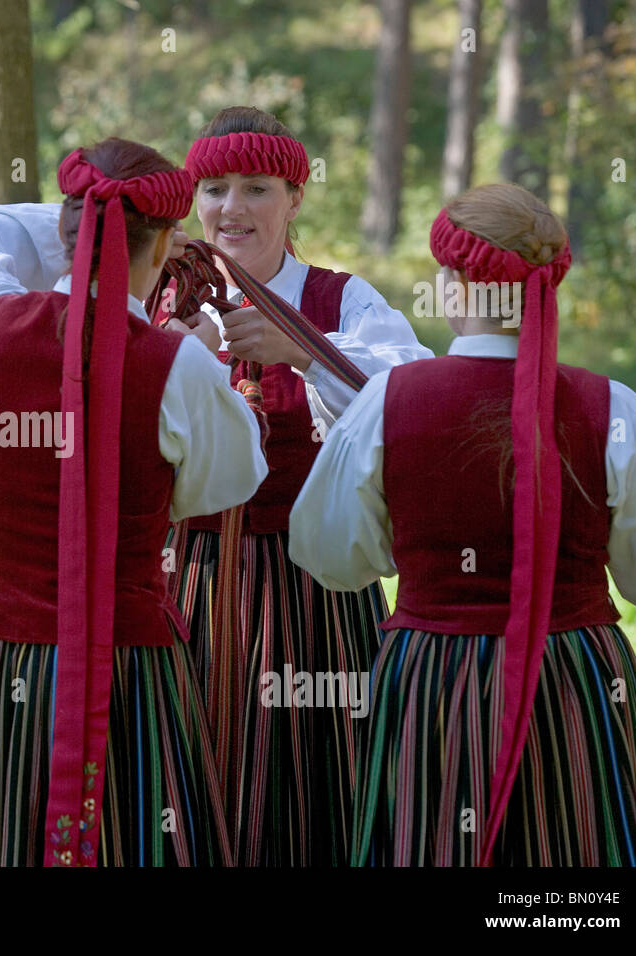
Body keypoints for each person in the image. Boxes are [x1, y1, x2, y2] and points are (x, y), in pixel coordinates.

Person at [0, 138, 268, 866]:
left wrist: (84, 216)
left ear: (65, 227)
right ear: (168, 241)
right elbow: (226, 483)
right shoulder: (180, 364)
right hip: (123, 662)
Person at [289, 183, 636, 865]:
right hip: (577, 679)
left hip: (432, 676)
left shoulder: (389, 401)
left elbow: (332, 556)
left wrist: (409, 548)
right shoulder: (612, 407)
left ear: (454, 283)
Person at [165, 105, 432, 864]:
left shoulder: (339, 300)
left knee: (320, 785)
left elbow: (412, 398)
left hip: (313, 582)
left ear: (295, 198)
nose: (231, 208)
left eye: (256, 188)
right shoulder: (159, 297)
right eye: (213, 188)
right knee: (186, 782)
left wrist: (306, 349)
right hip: (181, 581)